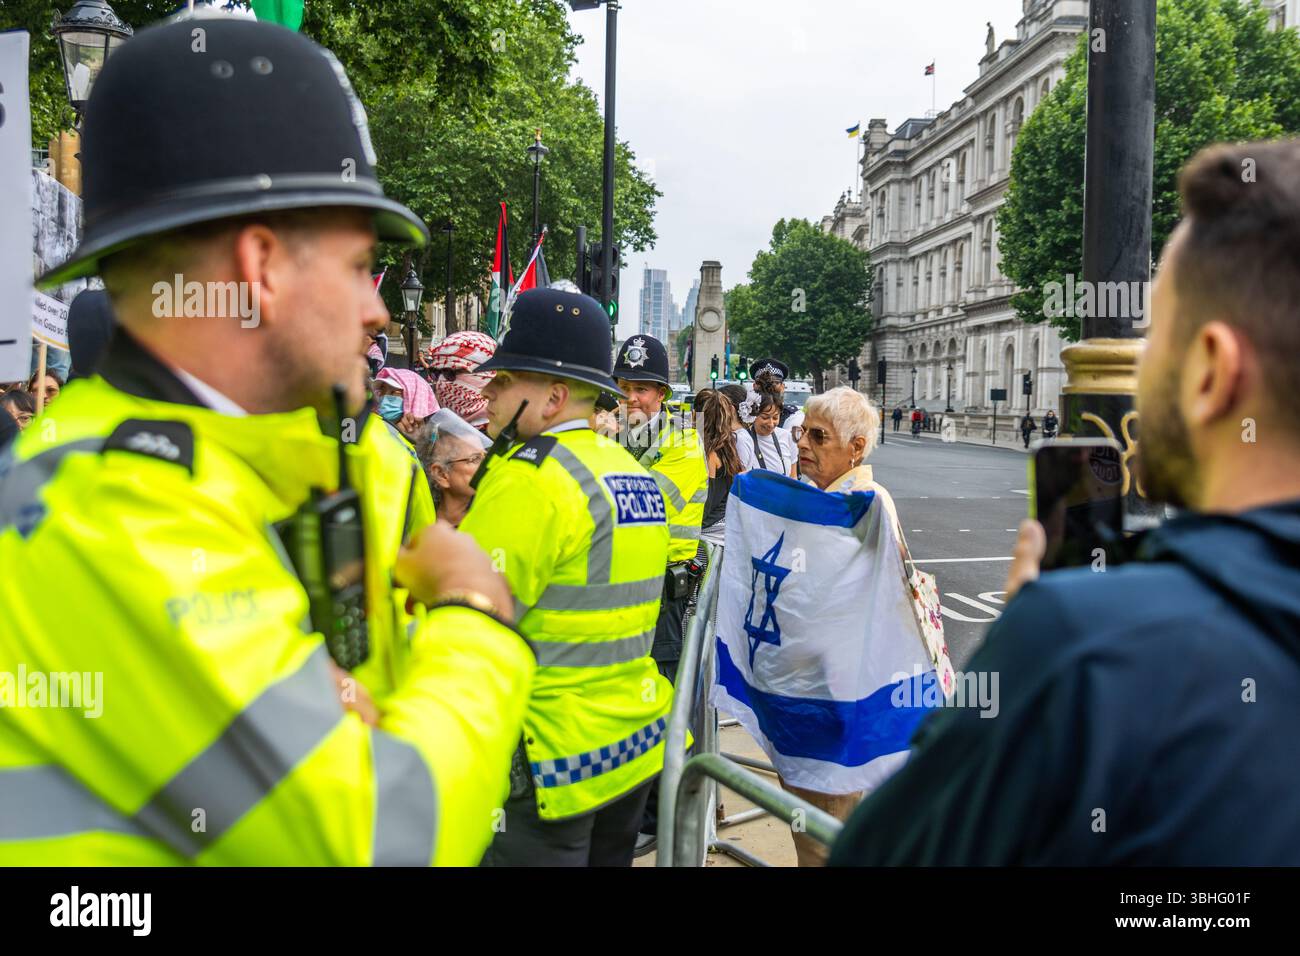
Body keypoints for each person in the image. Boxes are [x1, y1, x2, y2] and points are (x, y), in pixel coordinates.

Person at [0, 18, 534, 866]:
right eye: (360, 266)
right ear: (263, 265)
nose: (379, 312)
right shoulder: (112, 517)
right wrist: (474, 621)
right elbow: (380, 839)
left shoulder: (247, 466)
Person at [830, 137, 1300, 866]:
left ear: (1209, 372)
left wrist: (1020, 653)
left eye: (1156, 345)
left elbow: (885, 854)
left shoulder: (1087, 645)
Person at [461, 289, 675, 867]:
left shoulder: (529, 477)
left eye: (504, 381)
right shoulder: (630, 473)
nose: (487, 391)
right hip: (627, 748)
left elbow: (465, 622)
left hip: (544, 762)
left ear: (553, 397)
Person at [783, 386, 909, 866]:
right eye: (802, 433)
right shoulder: (827, 498)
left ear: (856, 448)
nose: (802, 445)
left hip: (835, 701)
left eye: (818, 436)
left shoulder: (864, 502)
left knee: (824, 837)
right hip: (810, 696)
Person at [609, 334, 708, 855]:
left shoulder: (682, 442)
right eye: (624, 386)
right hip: (625, 587)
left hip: (666, 593)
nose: (632, 398)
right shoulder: (621, 439)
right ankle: (640, 807)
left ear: (663, 394)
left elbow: (635, 505)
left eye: (643, 388)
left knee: (664, 702)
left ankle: (661, 816)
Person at [416, 409, 490, 528]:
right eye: (475, 459)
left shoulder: (491, 519)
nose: (487, 465)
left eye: (485, 456)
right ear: (441, 474)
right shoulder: (416, 524)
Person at [694, 388, 744, 549]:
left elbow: (706, 505)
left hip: (709, 540)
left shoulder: (707, 453)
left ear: (696, 415)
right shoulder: (728, 446)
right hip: (727, 533)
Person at [426, 330, 497, 432]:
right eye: (436, 373)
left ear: (486, 375)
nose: (441, 381)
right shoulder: (432, 425)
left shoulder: (508, 430)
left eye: (450, 373)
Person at [737, 393, 798, 478]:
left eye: (775, 418)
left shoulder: (787, 437)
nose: (771, 424)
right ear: (754, 415)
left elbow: (793, 477)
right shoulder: (743, 439)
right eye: (765, 418)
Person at [374, 366, 439, 445]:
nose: (384, 399)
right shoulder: (369, 426)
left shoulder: (436, 439)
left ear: (415, 399)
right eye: (382, 393)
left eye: (394, 393)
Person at [750, 357, 798, 426]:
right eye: (763, 383)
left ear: (782, 387)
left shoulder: (792, 416)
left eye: (775, 383)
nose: (769, 388)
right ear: (754, 386)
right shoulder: (745, 413)